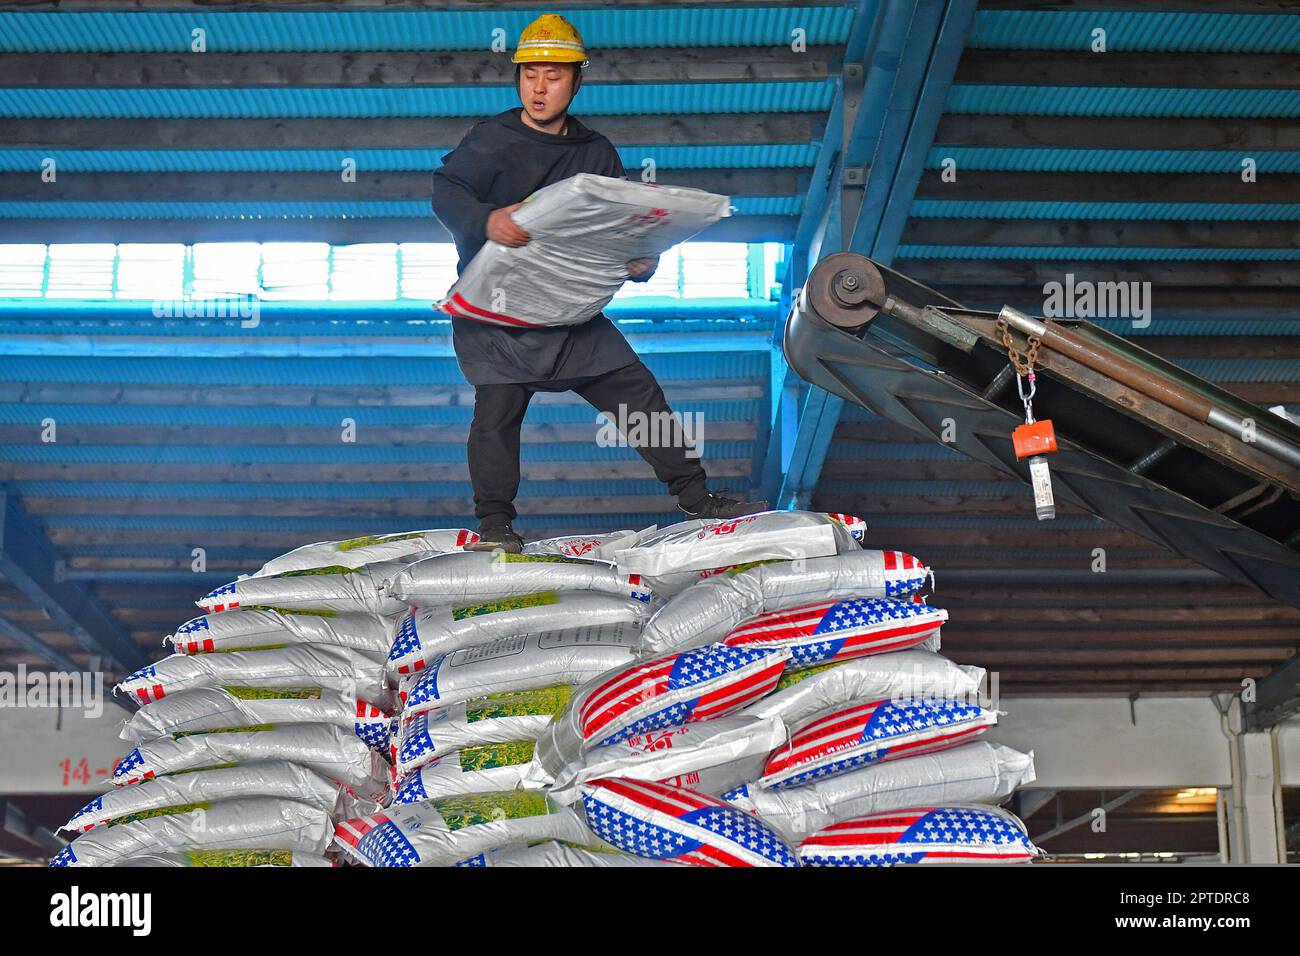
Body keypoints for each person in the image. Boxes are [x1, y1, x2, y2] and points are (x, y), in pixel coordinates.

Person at [432, 13, 767, 553]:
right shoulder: (491, 141)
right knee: (496, 417)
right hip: (500, 313)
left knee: (638, 394)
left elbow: (621, 225)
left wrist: (641, 261)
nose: (539, 88)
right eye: (529, 75)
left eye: (554, 76)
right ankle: (495, 527)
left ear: (577, 80)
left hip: (570, 312)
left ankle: (696, 497)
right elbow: (447, 191)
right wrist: (486, 219)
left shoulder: (595, 153)